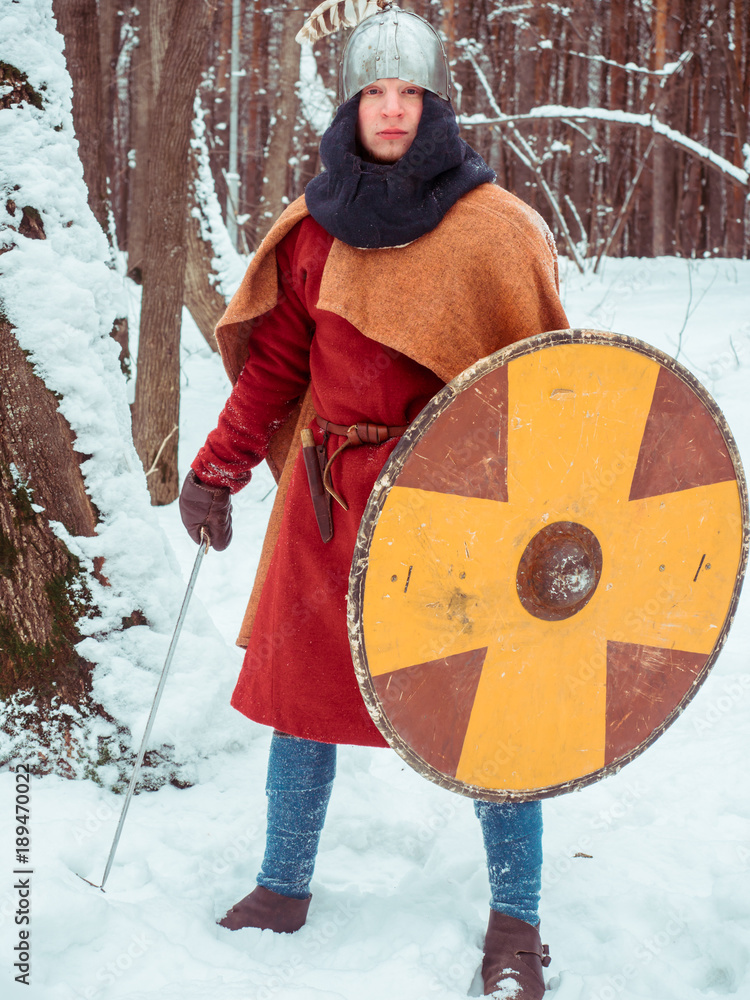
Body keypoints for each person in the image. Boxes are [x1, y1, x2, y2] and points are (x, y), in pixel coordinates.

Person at [179, 6, 569, 997]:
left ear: (433, 103)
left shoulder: (495, 228)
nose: (391, 110)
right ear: (350, 105)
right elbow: (276, 365)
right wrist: (217, 468)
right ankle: (282, 887)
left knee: (489, 712)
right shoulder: (316, 228)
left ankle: (518, 924)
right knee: (301, 700)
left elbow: (546, 388)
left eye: (409, 93)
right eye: (374, 93)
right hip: (329, 500)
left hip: (457, 509)